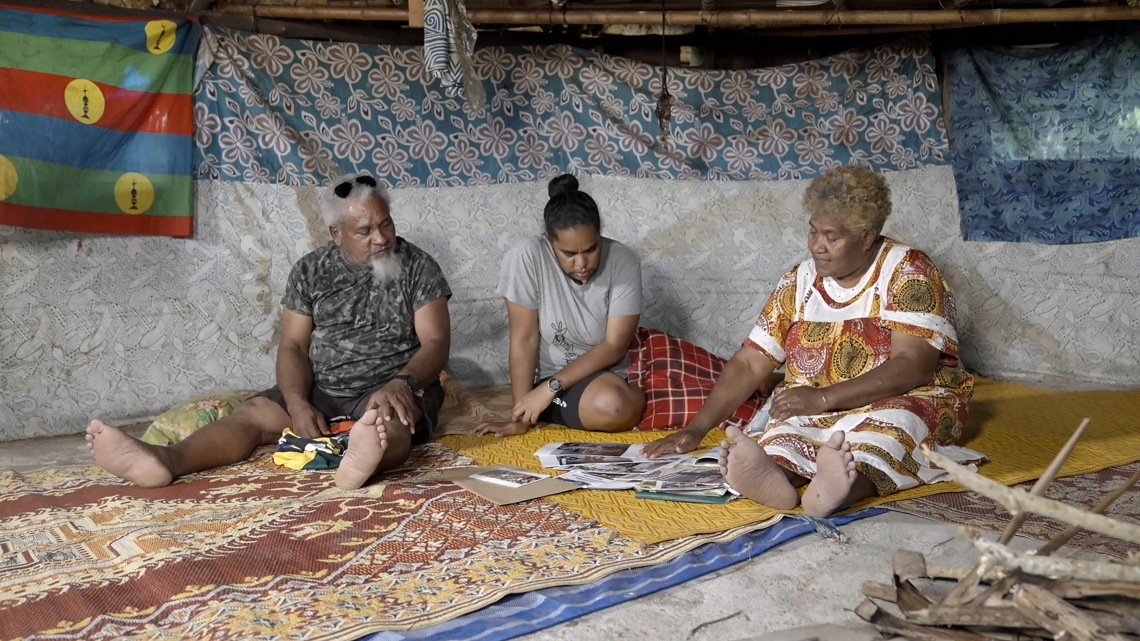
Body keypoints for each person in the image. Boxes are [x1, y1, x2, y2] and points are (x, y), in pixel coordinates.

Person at [643, 165, 979, 516]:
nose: (817, 245)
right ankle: (779, 480)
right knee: (782, 430)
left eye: (831, 236)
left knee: (892, 429)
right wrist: (697, 428)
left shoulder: (907, 269)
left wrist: (822, 398)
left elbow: (913, 366)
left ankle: (840, 491)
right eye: (813, 231)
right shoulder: (799, 281)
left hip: (898, 398)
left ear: (866, 236)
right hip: (817, 405)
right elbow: (749, 362)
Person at [86, 173, 452, 490]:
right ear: (336, 234)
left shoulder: (418, 266)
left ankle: (364, 456)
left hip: (391, 385)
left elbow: (435, 342)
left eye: (385, 224)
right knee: (252, 416)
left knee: (391, 422)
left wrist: (402, 383)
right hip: (323, 389)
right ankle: (166, 460)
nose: (381, 238)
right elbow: (292, 345)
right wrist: (297, 405)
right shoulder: (310, 271)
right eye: (365, 231)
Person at [475, 174, 646, 437]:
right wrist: (522, 415)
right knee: (612, 407)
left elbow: (614, 347)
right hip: (551, 378)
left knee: (617, 404)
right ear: (550, 242)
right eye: (569, 254)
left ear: (600, 236)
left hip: (601, 376)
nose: (582, 264)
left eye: (591, 249)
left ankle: (559, 401)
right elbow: (524, 339)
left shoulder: (624, 260)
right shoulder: (527, 256)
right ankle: (547, 406)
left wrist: (549, 389)